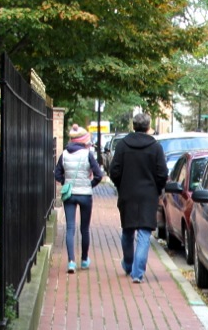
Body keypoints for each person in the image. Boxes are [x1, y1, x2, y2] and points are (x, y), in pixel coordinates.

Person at [108, 112, 167, 283]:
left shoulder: (122, 146)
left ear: (133, 126)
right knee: (144, 233)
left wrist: (121, 185)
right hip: (148, 195)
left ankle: (128, 264)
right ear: (148, 127)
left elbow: (114, 171)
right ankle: (137, 273)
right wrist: (156, 187)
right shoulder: (155, 147)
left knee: (127, 230)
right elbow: (162, 173)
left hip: (127, 193)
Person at [54, 124, 104, 273]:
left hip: (69, 195)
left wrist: (66, 182)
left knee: (70, 228)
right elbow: (99, 175)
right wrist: (90, 184)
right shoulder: (87, 154)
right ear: (83, 141)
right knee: (84, 229)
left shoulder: (64, 154)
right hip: (85, 195)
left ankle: (70, 262)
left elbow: (57, 174)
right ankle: (84, 260)